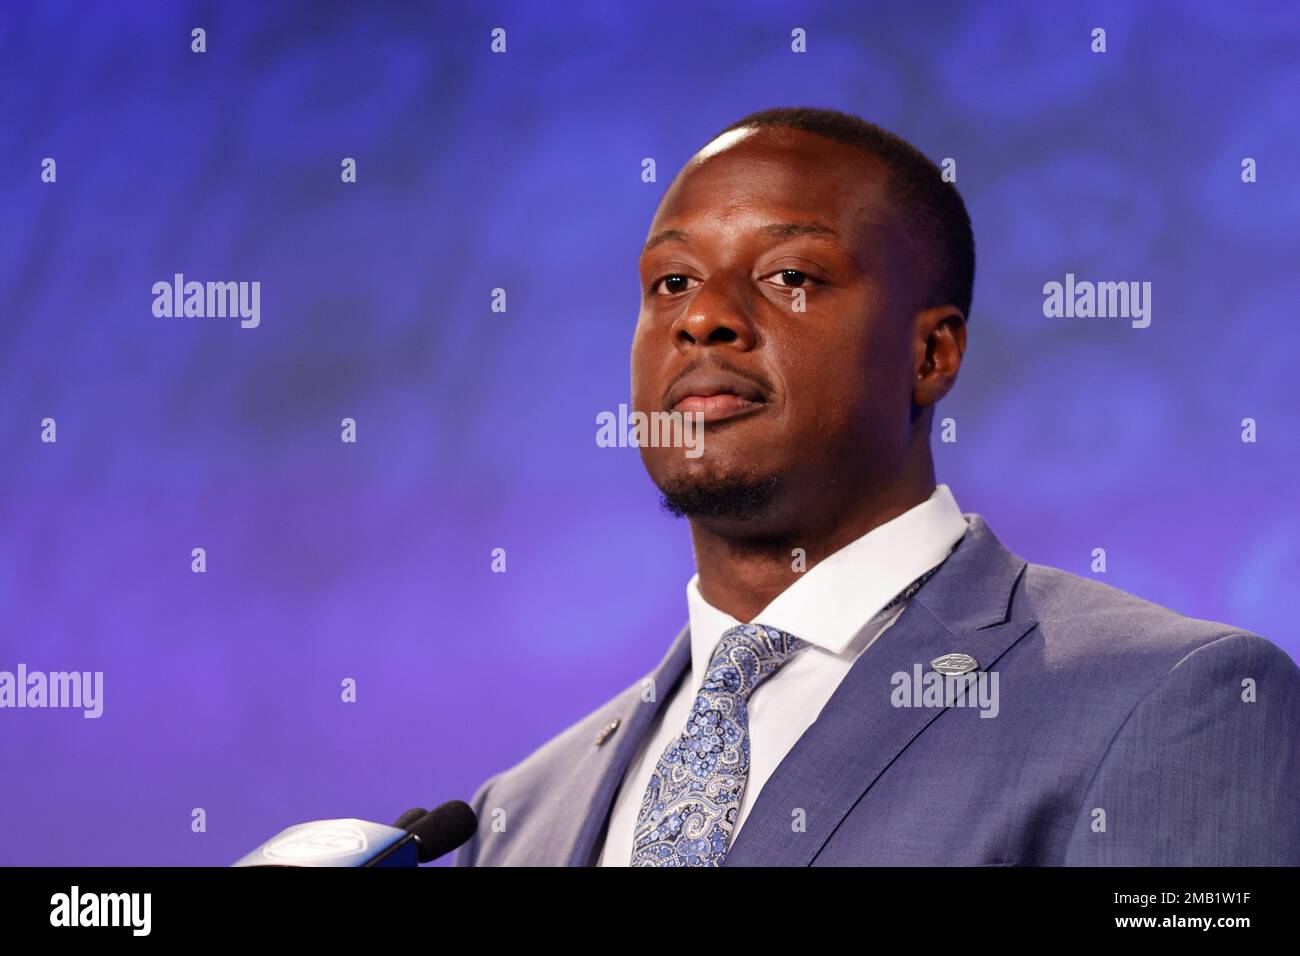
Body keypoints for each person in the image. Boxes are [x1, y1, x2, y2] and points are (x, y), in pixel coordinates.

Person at [456, 107, 1300, 866]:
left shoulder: (1174, 705)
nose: (701, 316)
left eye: (791, 275)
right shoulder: (519, 813)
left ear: (931, 355)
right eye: (671, 281)